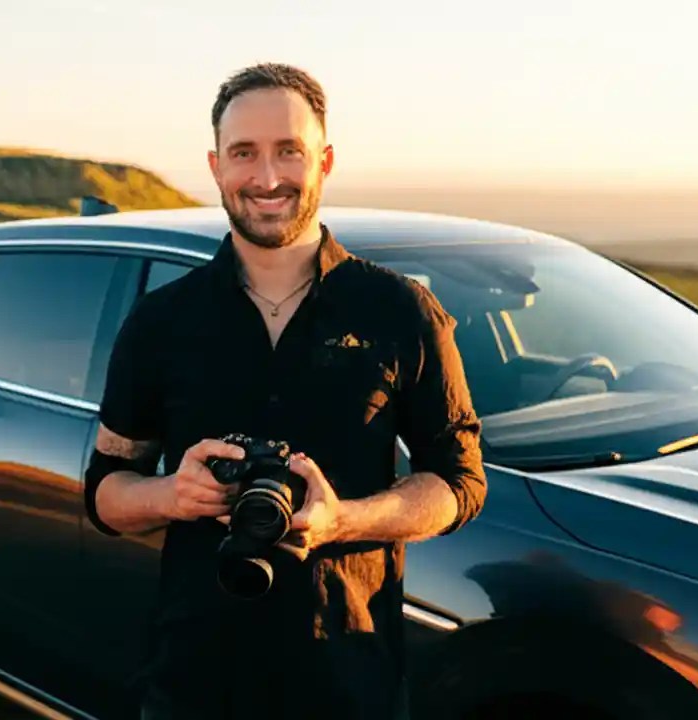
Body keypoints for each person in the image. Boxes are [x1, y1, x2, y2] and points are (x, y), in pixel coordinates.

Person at [83, 62, 486, 720]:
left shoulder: (399, 311)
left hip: (348, 682)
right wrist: (172, 494)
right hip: (191, 681)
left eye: (288, 151)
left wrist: (343, 520)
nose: (267, 178)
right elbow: (105, 493)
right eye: (245, 153)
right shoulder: (160, 322)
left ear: (324, 161)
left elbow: (461, 482)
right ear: (216, 166)